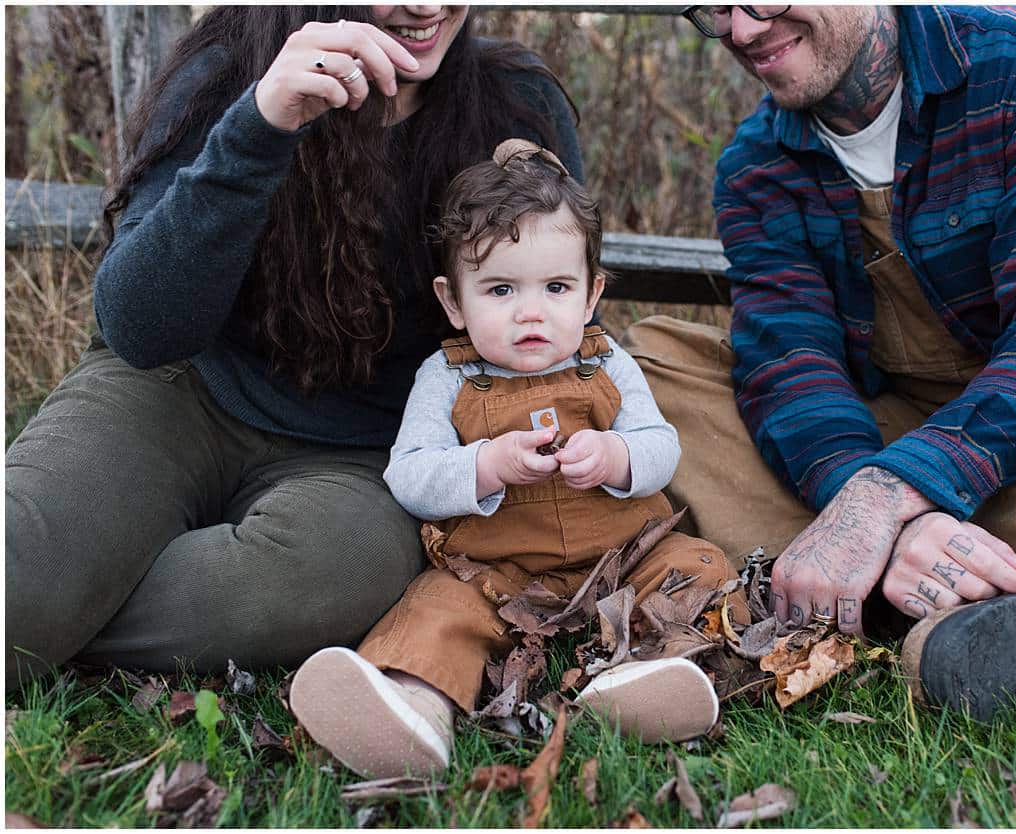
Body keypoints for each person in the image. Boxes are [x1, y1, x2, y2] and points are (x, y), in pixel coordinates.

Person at [623, 5, 1016, 719]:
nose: (741, 30)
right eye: (710, 7)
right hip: (902, 423)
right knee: (657, 369)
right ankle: (970, 570)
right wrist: (882, 497)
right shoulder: (756, 165)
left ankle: (879, 576)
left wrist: (883, 498)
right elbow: (790, 365)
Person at [5, 6, 580, 687]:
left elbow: (550, 328)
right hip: (179, 391)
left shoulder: (517, 104)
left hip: (367, 455)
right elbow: (141, 327)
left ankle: (70, 614)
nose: (425, 6)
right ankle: (53, 598)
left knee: (331, 576)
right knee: (19, 586)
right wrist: (260, 126)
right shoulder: (229, 67)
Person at [290, 140, 731, 778]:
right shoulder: (445, 377)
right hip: (497, 571)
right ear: (453, 301)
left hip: (624, 558)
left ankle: (646, 674)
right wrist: (486, 466)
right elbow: (409, 474)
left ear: (590, 295)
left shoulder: (608, 362)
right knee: (438, 607)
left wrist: (616, 455)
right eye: (499, 289)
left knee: (699, 565)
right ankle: (415, 708)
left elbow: (663, 447)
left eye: (556, 286)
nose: (530, 312)